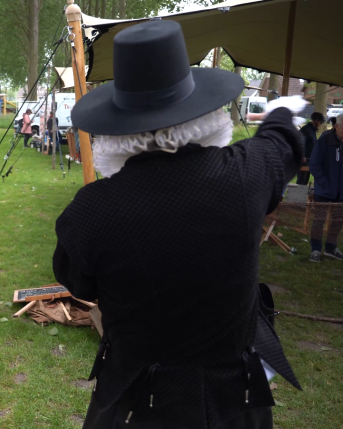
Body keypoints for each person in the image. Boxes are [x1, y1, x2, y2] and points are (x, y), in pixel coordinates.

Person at [54, 21, 301, 429]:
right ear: (200, 109)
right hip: (233, 407)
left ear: (118, 123)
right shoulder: (246, 174)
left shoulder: (92, 210)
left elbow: (78, 282)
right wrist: (280, 113)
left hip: (136, 407)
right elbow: (281, 144)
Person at [308, 112, 343, 262]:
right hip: (324, 190)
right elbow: (314, 164)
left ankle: (331, 248)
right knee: (319, 220)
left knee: (338, 220)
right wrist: (324, 182)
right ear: (336, 126)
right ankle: (315, 249)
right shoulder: (324, 140)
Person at [296, 112, 325, 185]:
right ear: (316, 121)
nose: (320, 124)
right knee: (302, 180)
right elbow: (299, 143)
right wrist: (302, 155)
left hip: (309, 158)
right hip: (304, 159)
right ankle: (298, 192)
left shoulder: (312, 130)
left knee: (305, 179)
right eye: (320, 122)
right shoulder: (306, 130)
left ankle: (302, 192)